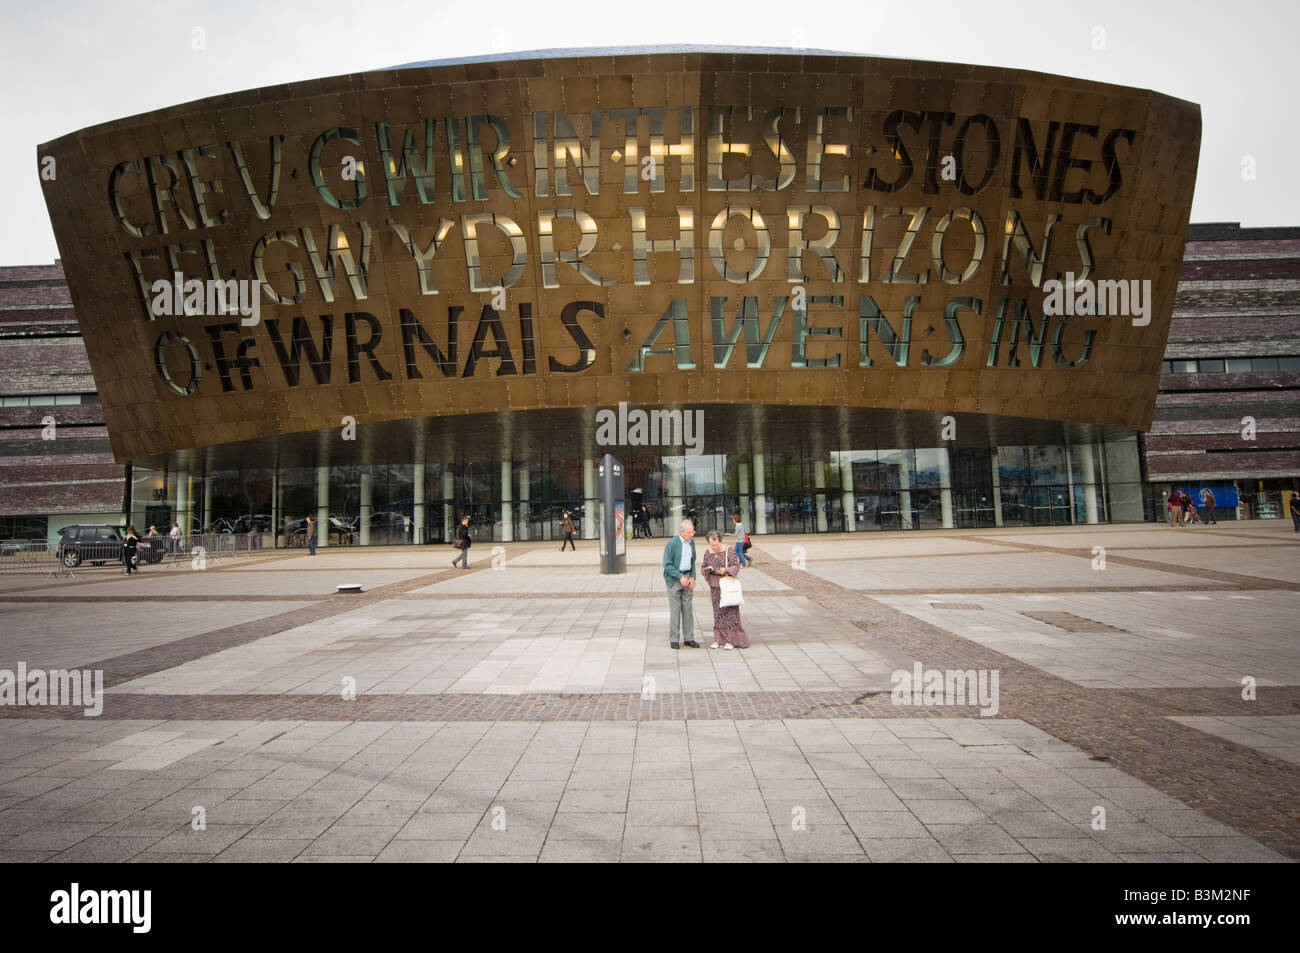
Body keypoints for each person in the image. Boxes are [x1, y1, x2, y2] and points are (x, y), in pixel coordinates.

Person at [701, 530, 749, 649]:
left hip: (727, 586)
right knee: (718, 613)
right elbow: (703, 567)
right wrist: (708, 569)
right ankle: (718, 639)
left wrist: (725, 570)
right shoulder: (708, 552)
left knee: (730, 613)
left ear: (720, 541)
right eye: (712, 544)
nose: (714, 547)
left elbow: (735, 566)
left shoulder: (729, 550)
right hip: (715, 587)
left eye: (716, 544)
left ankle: (730, 640)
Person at [661, 518, 699, 650]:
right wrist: (679, 576)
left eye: (692, 532)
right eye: (689, 532)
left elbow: (693, 561)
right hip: (674, 578)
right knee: (675, 609)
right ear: (681, 532)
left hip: (687, 576)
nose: (691, 534)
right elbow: (667, 565)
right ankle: (674, 639)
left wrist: (693, 577)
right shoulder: (672, 543)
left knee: (688, 609)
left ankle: (689, 638)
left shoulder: (691, 543)